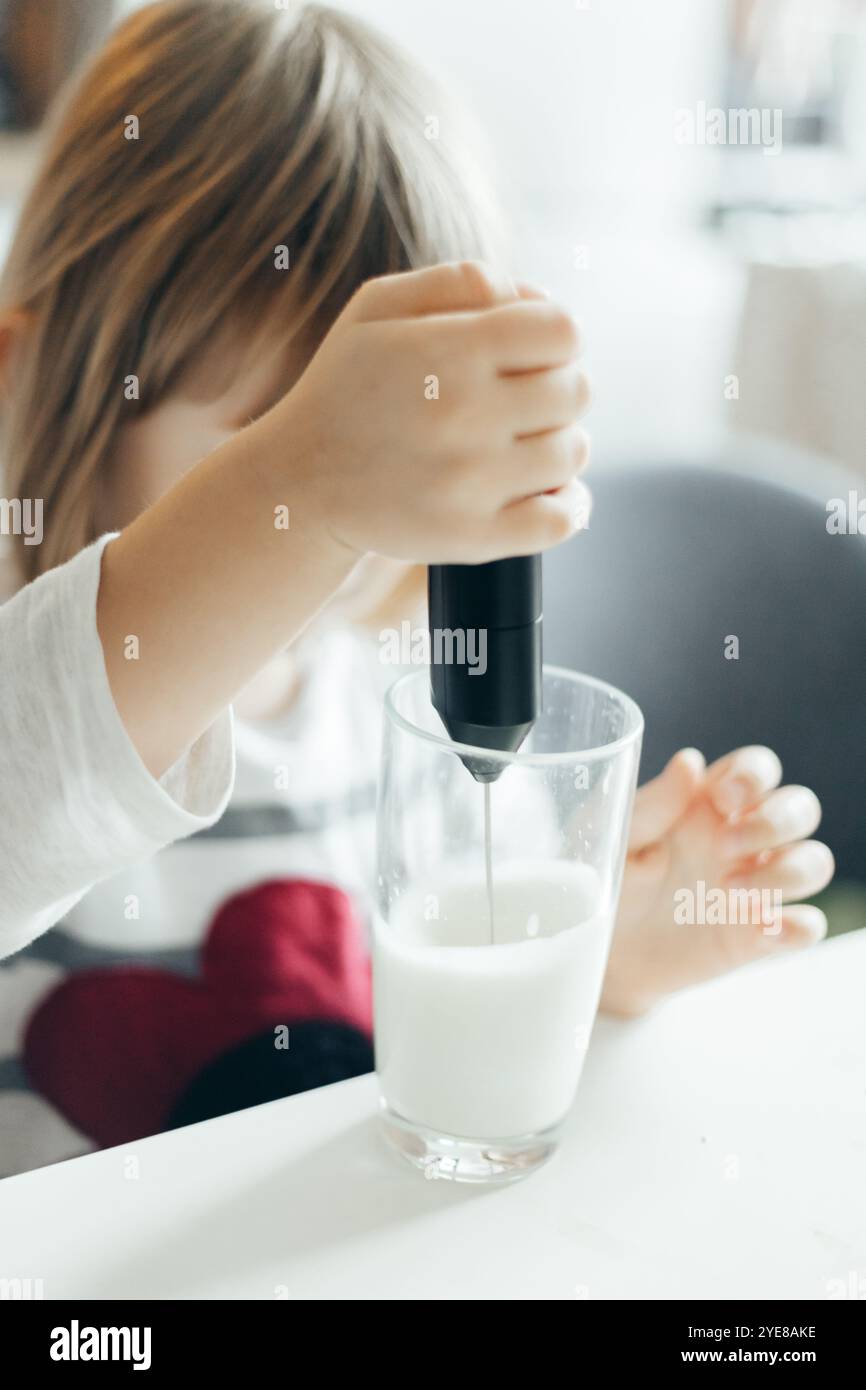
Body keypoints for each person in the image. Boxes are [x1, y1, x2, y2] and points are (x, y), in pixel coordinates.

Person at [0, 0, 833, 1176]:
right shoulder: (25, 691)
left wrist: (600, 962)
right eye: (278, 443)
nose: (360, 528)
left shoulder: (402, 712)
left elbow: (449, 1050)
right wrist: (294, 484)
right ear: (29, 378)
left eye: (402, 472)